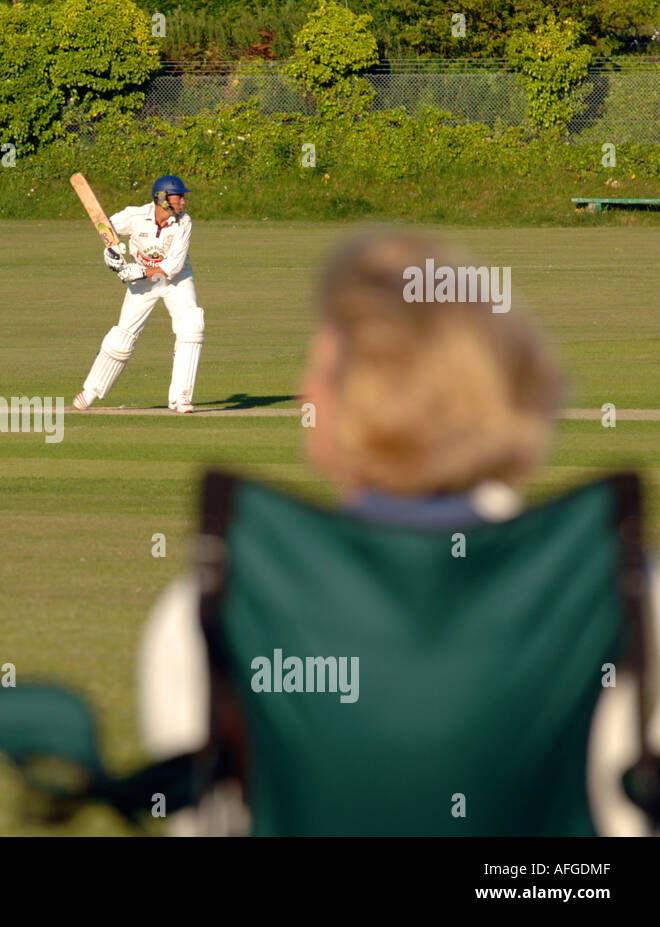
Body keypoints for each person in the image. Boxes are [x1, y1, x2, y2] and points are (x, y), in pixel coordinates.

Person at [136, 228, 659, 836]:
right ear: (520, 394)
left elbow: (199, 823)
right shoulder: (629, 585)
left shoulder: (212, 599)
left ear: (331, 408)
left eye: (321, 369)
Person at [73, 175, 203, 414]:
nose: (183, 202)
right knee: (123, 336)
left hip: (177, 279)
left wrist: (139, 271)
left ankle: (181, 397)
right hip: (142, 283)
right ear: (162, 198)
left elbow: (173, 267)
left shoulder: (184, 222)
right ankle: (91, 390)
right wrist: (111, 252)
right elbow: (106, 227)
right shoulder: (134, 216)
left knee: (191, 327)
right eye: (179, 197)